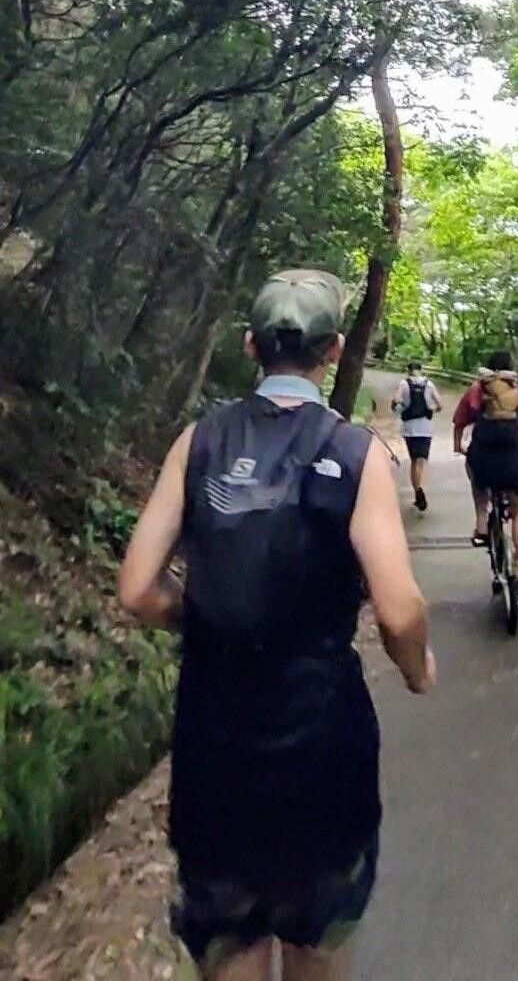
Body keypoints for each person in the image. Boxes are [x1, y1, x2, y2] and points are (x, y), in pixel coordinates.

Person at [118, 268, 435, 981]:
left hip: (214, 741)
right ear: (330, 353)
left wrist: (201, 617)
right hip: (322, 740)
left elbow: (137, 590)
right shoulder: (357, 454)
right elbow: (399, 607)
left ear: (248, 345)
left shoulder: (195, 442)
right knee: (318, 937)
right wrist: (417, 669)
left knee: (232, 937)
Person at [452, 349, 518, 598]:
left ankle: (481, 524)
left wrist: (458, 446)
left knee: (475, 472)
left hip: (483, 455)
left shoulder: (476, 390)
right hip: (513, 456)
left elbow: (459, 422)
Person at [391, 361, 442, 512]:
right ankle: (419, 488)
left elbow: (397, 400)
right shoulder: (429, 384)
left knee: (414, 461)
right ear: (420, 370)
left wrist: (401, 407)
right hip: (425, 427)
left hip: (409, 428)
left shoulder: (404, 384)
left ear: (408, 371)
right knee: (421, 461)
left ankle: (417, 490)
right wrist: (431, 409)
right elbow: (440, 404)